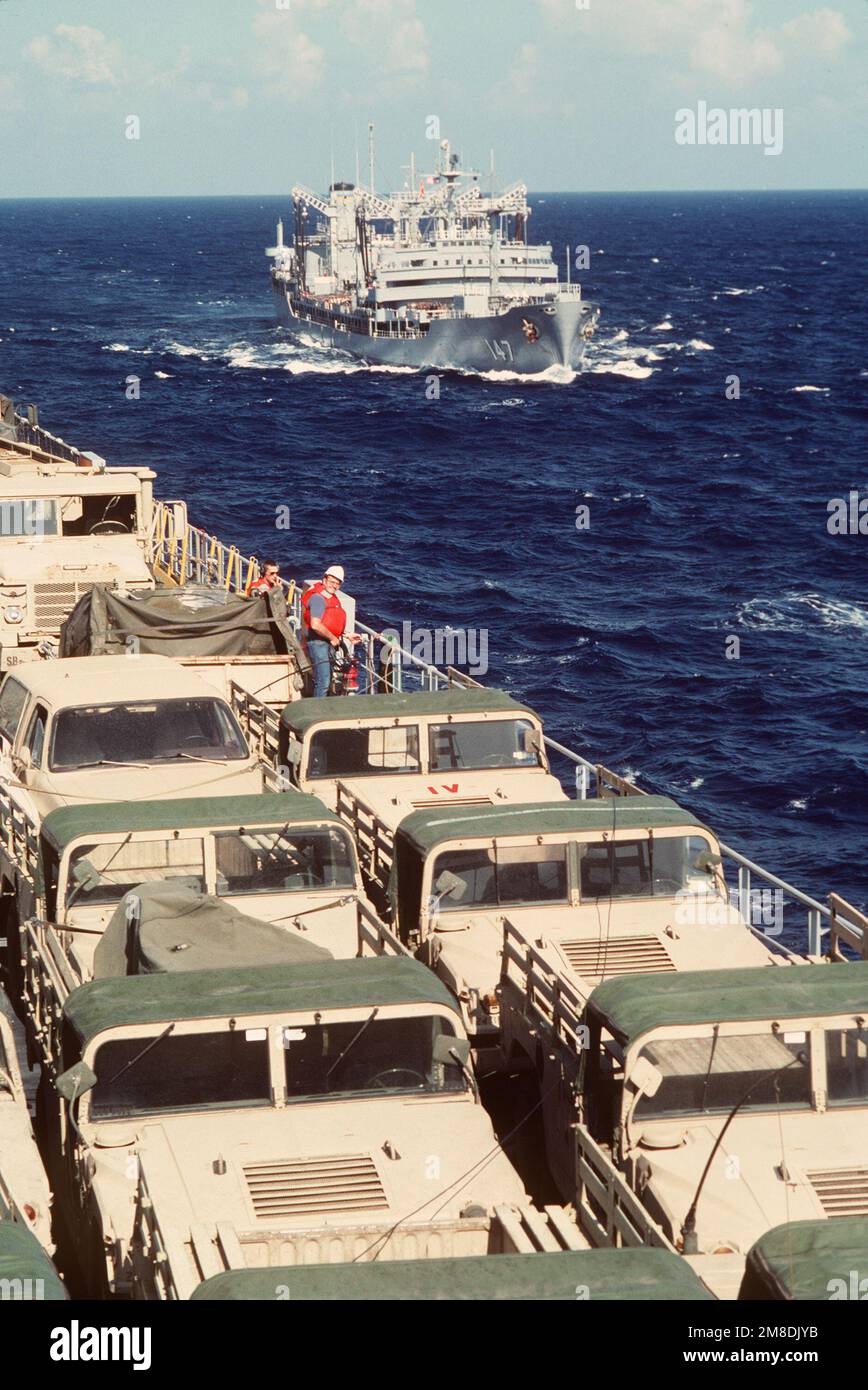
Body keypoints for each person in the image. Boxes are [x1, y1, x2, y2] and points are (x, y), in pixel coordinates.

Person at [302, 564, 361, 698]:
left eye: (337, 583)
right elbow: (315, 625)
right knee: (322, 681)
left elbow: (330, 621)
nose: (334, 586)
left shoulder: (331, 597)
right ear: (324, 580)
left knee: (326, 680)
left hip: (327, 643)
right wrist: (333, 639)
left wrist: (346, 635)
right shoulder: (318, 598)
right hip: (318, 644)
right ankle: (317, 712)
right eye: (331, 582)